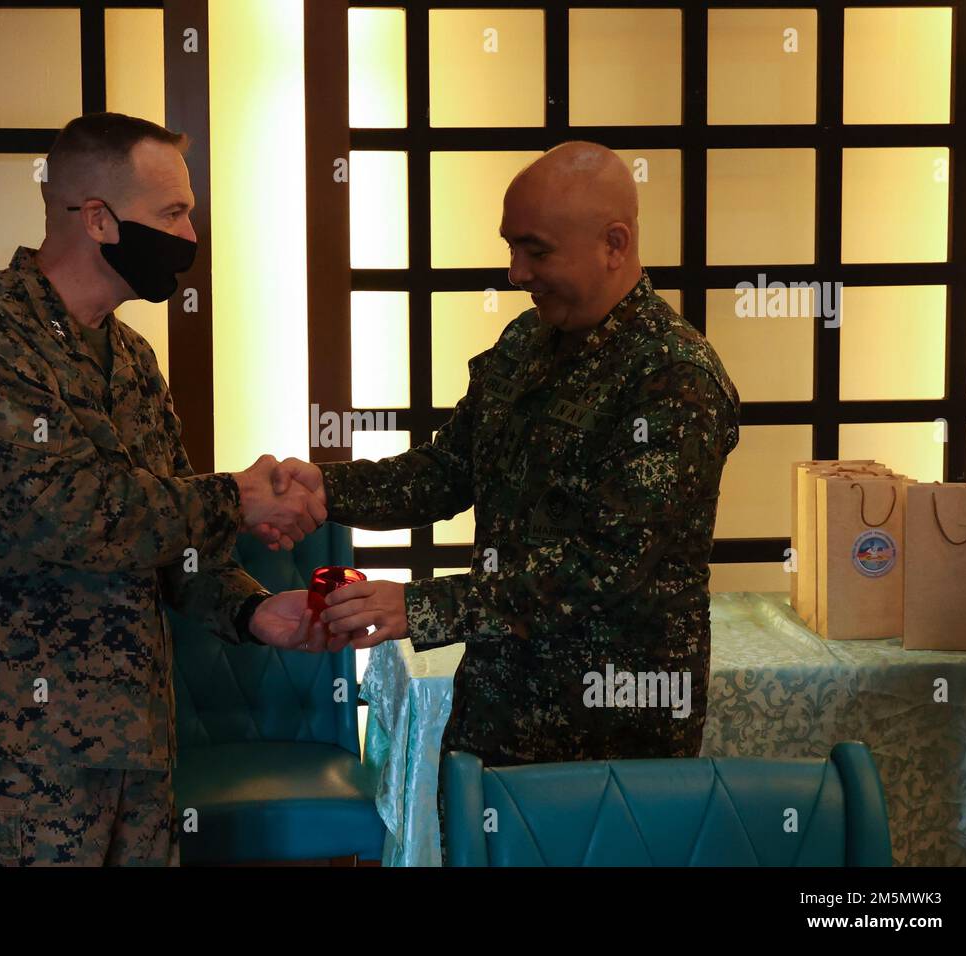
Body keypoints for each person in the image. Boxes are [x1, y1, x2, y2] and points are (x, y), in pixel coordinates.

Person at [0, 113, 351, 866]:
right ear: (98, 219)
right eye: (172, 213)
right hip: (21, 771)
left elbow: (168, 539)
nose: (188, 233)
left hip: (138, 757)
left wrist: (250, 609)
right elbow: (69, 516)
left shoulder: (132, 357)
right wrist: (236, 497)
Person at [272, 141, 742, 768]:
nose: (516, 273)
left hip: (610, 730)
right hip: (498, 705)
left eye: (536, 249)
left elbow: (607, 567)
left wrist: (420, 605)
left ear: (615, 244)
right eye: (510, 247)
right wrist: (327, 490)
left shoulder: (673, 378)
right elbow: (450, 468)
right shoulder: (528, 340)